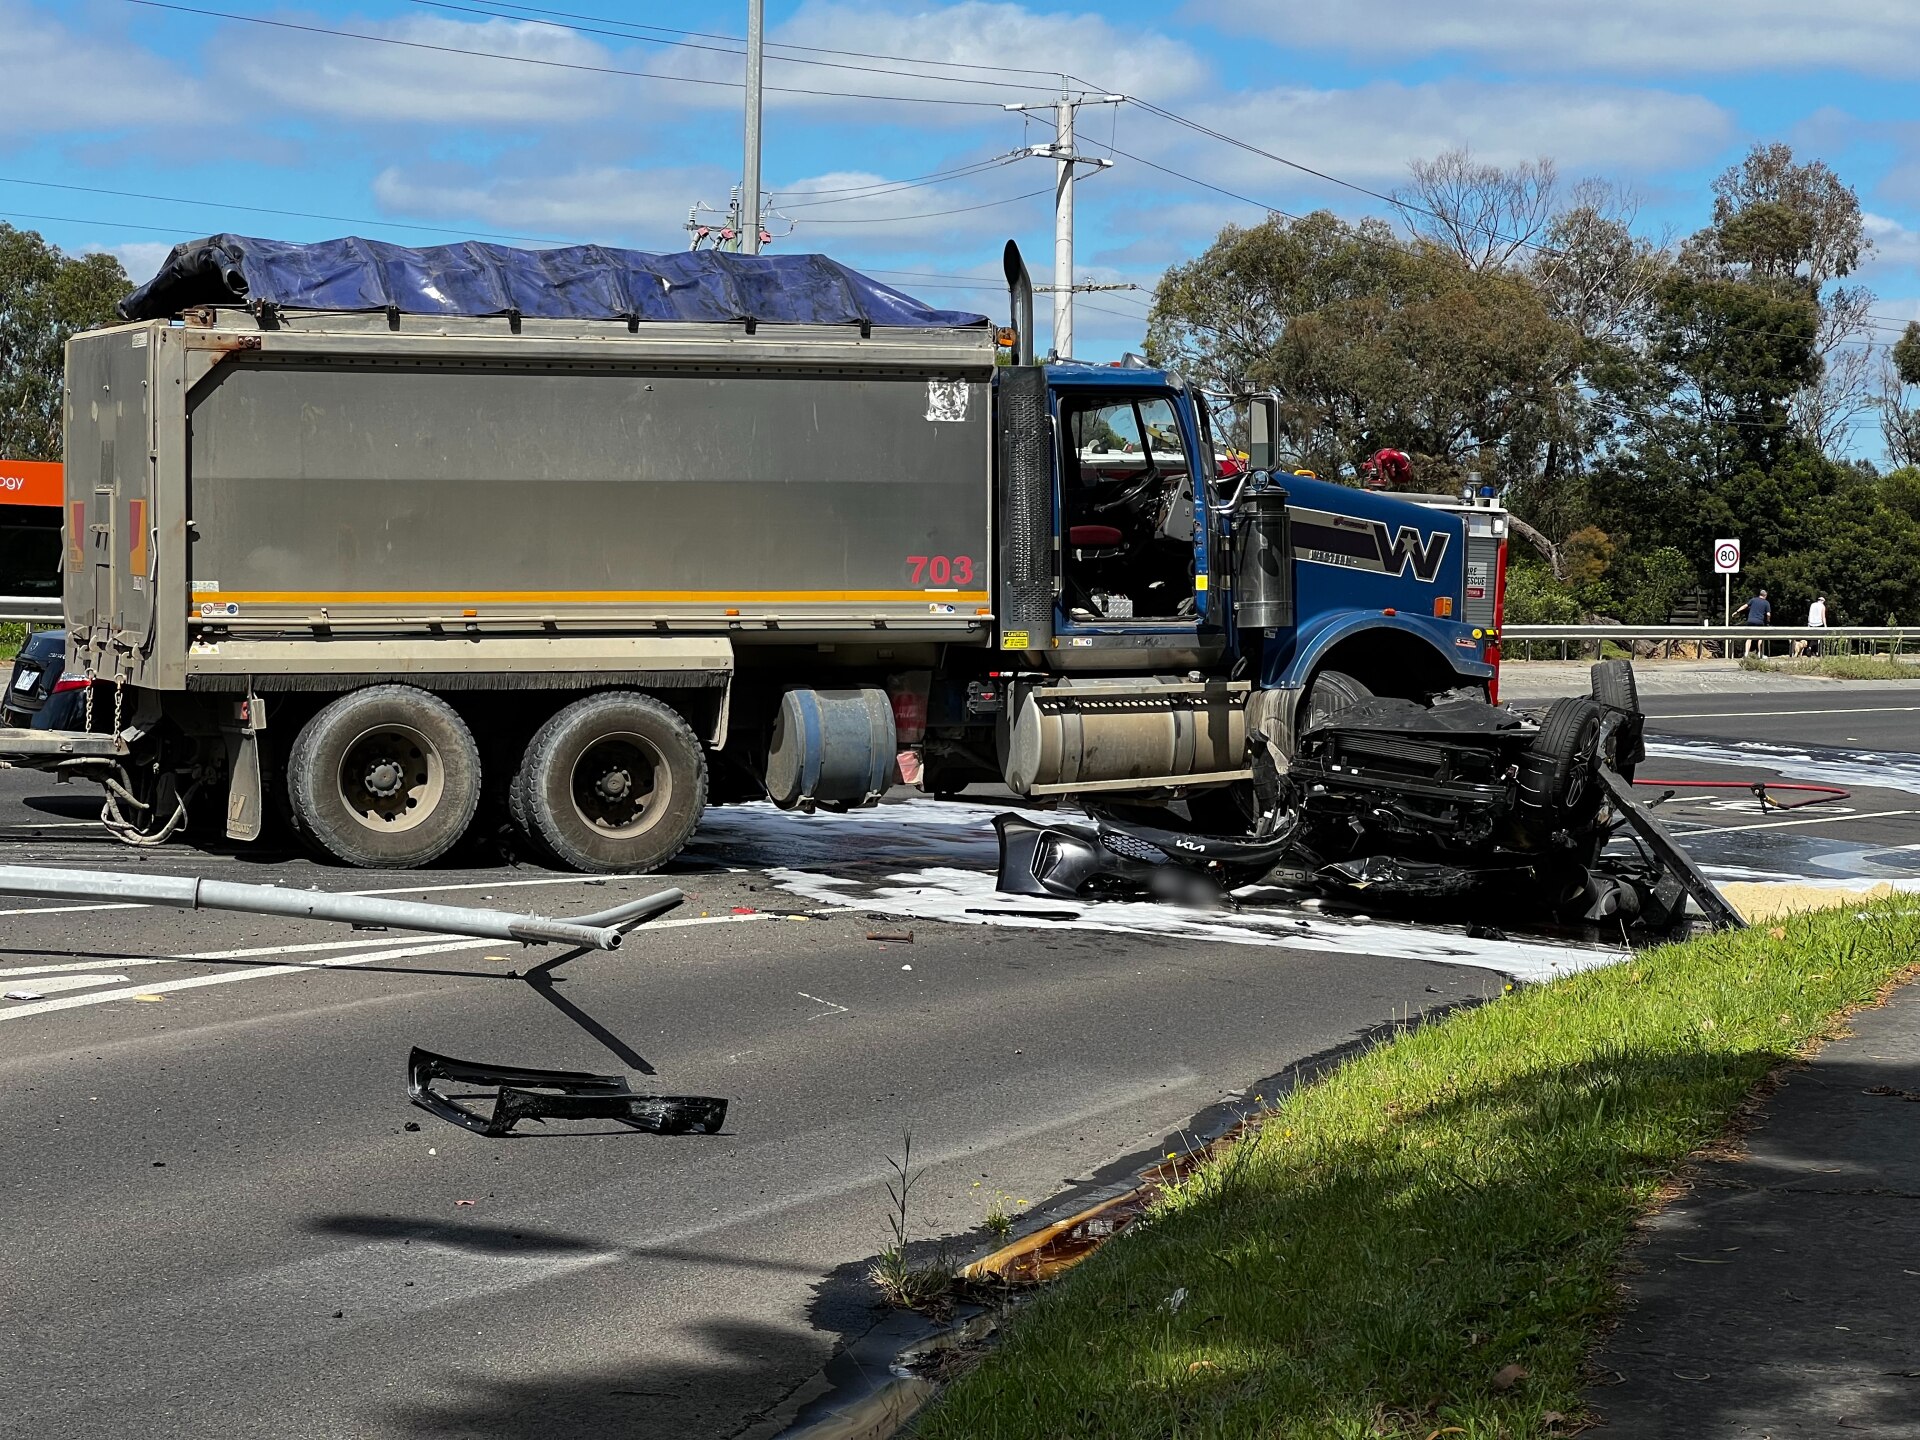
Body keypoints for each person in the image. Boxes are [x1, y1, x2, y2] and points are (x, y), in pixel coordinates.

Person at [1743, 588, 1771, 657]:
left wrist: (1737, 611)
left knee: (1749, 637)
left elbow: (1745, 606)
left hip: (1750, 621)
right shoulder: (1766, 602)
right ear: (1765, 595)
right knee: (1760, 637)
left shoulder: (1753, 600)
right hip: (1759, 622)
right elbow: (1768, 614)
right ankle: (1759, 653)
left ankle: (1746, 653)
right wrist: (1768, 621)